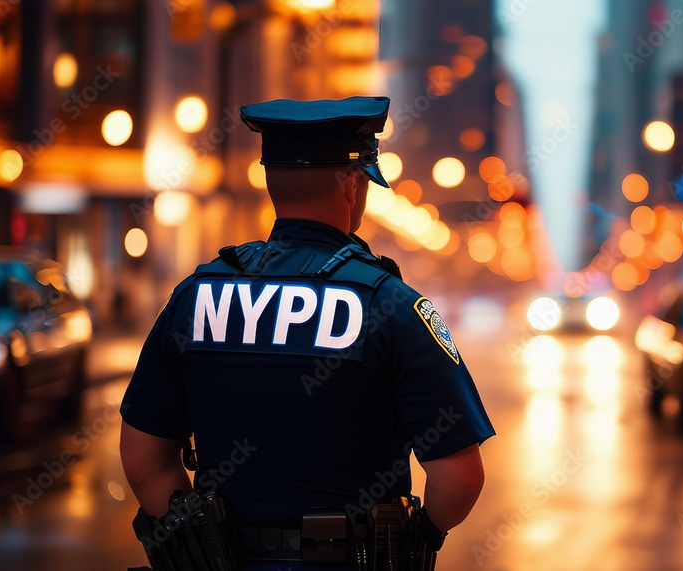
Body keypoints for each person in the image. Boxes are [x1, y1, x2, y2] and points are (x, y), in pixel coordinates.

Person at [119, 96, 494, 570]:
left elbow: (142, 461)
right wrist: (418, 538)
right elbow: (458, 478)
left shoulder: (195, 297)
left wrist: (205, 548)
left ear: (272, 183)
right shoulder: (393, 306)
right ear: (353, 187)